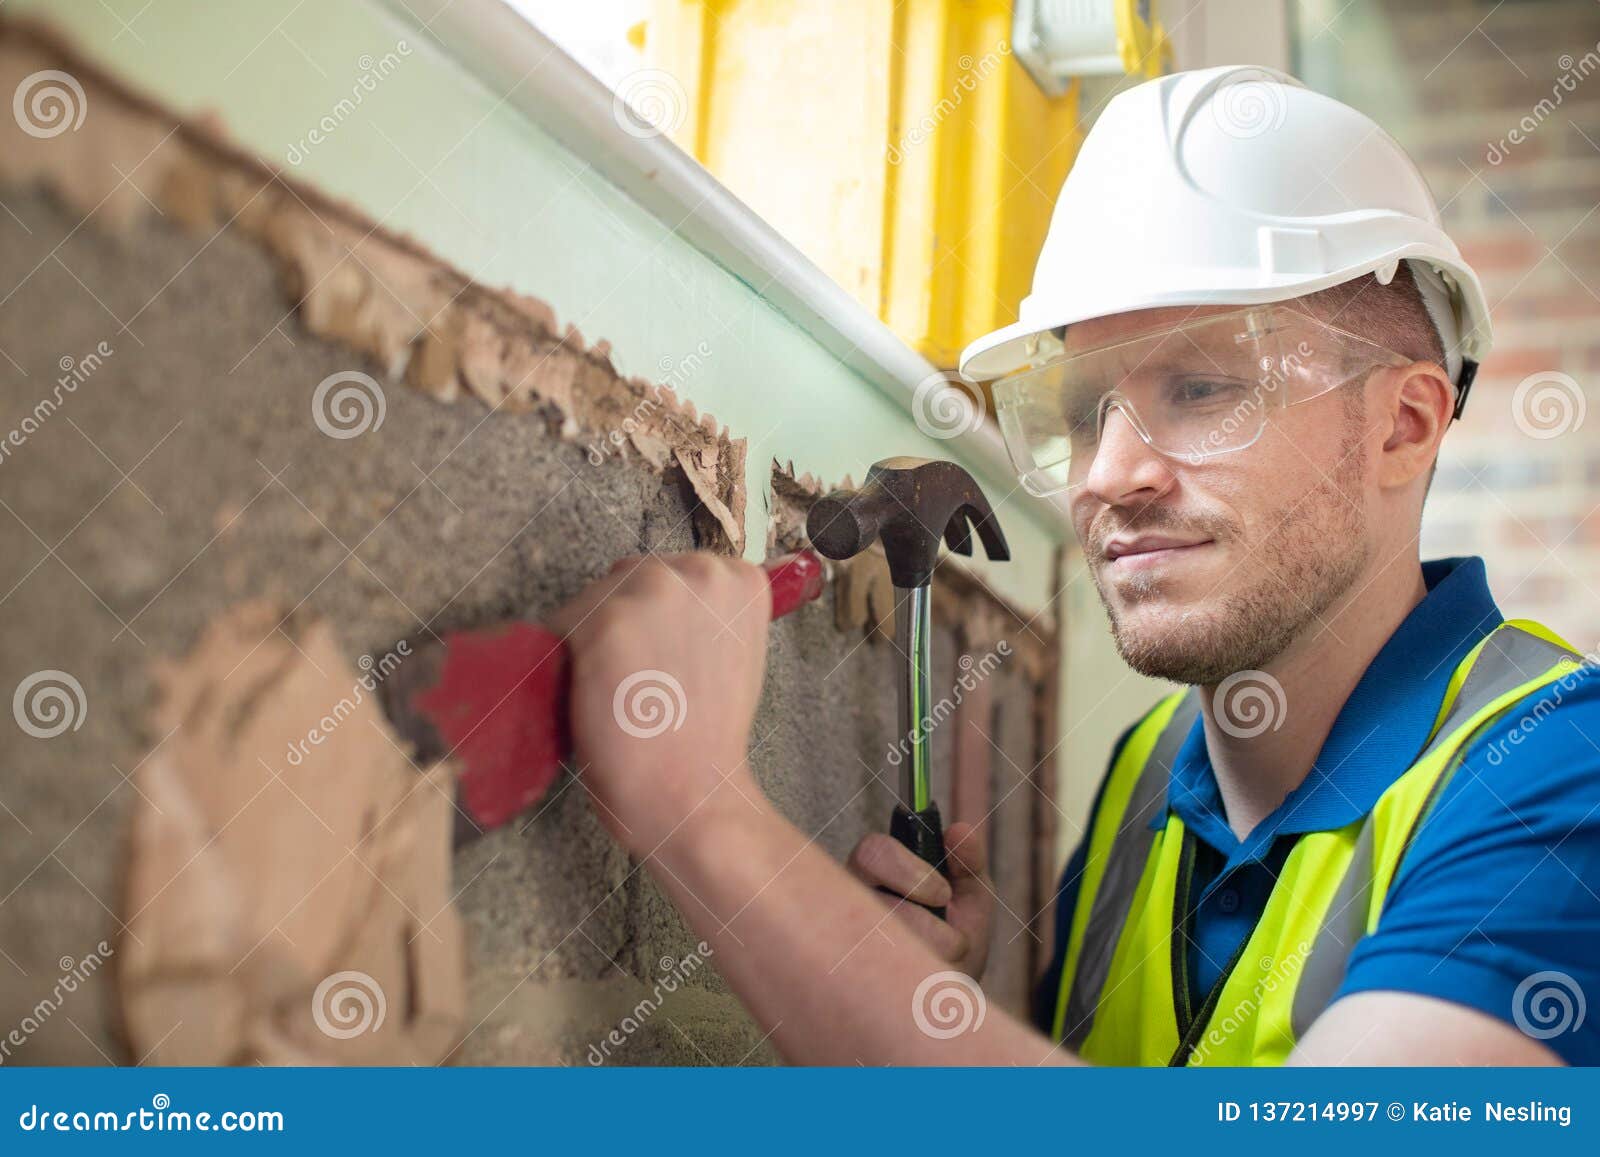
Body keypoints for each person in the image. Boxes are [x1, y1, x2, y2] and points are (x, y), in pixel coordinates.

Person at [548, 65, 1600, 1065]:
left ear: (1403, 427)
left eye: (1201, 389)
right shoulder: (1155, 770)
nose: (1109, 472)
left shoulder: (1557, 778)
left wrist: (700, 807)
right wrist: (915, 993)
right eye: (1087, 409)